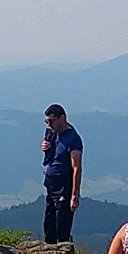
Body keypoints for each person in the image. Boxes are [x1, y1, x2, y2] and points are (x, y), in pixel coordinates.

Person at [40, 104, 83, 244]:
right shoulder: (53, 135)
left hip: (64, 184)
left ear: (62, 118)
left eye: (51, 121)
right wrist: (46, 148)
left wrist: (74, 195)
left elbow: (77, 168)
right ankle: (49, 246)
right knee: (49, 220)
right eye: (47, 121)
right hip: (51, 182)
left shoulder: (73, 139)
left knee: (62, 220)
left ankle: (64, 247)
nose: (49, 124)